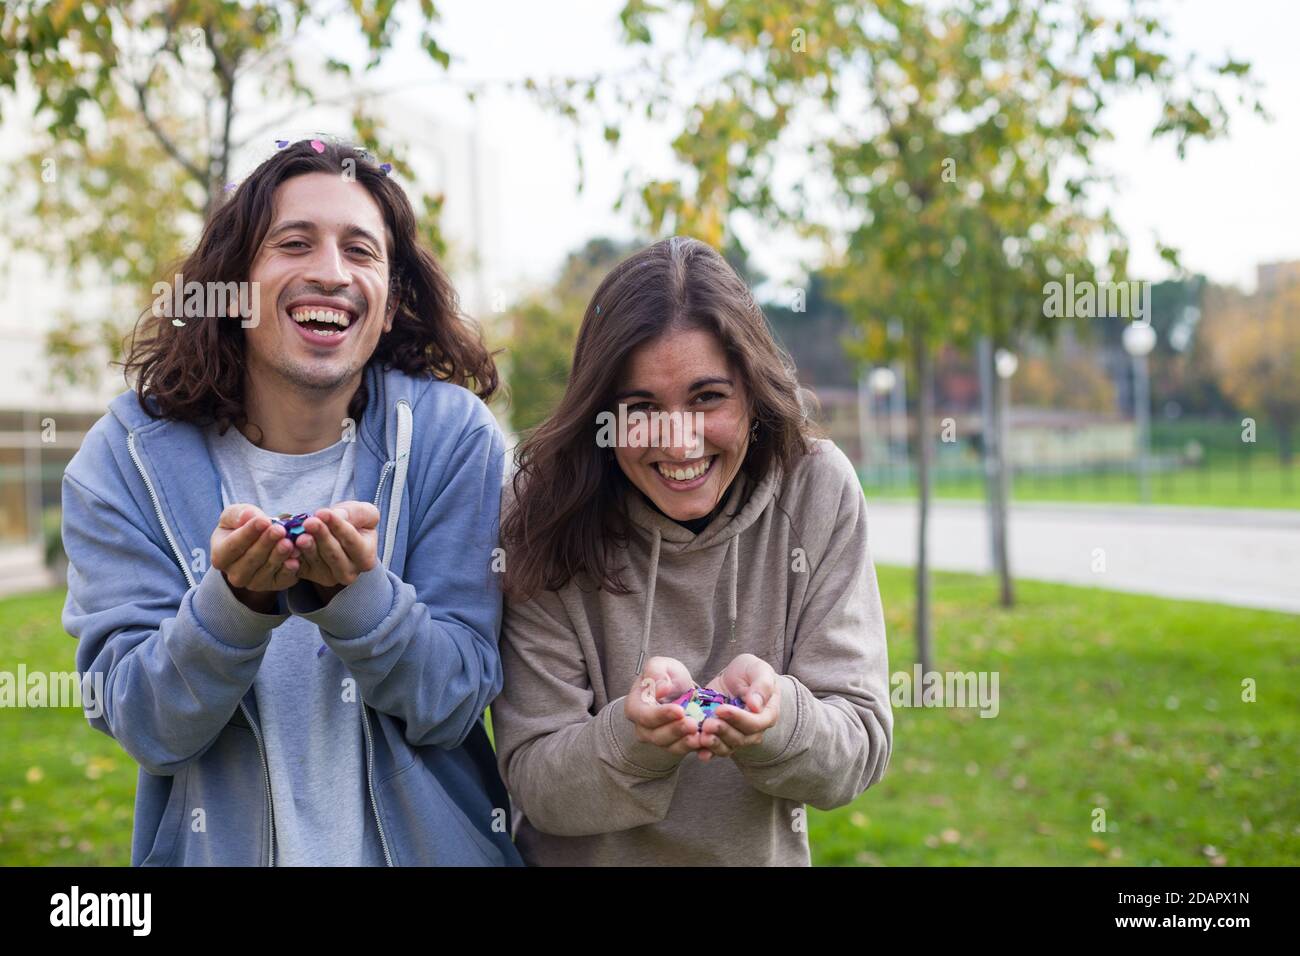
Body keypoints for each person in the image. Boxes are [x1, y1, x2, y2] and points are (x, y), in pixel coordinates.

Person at [61, 138, 521, 866]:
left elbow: (458, 698)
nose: (331, 273)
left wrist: (358, 600)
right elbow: (143, 724)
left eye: (361, 251)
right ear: (234, 282)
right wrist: (233, 608)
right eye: (294, 243)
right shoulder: (122, 460)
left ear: (393, 300)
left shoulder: (451, 438)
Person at [493, 236, 893, 865]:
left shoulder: (818, 489)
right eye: (641, 407)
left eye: (708, 398)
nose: (679, 444)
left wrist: (779, 719)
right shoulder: (543, 515)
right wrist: (634, 739)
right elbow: (536, 784)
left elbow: (858, 750)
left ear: (753, 395)